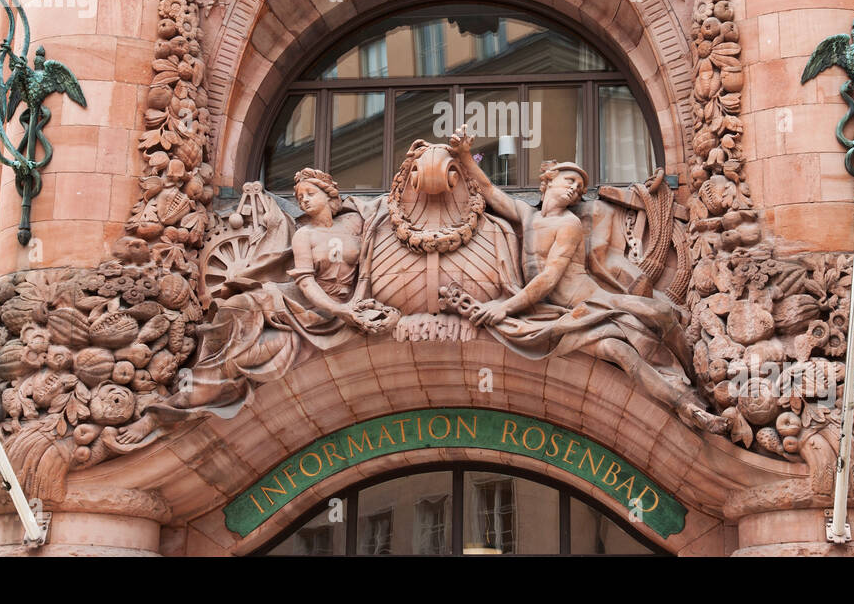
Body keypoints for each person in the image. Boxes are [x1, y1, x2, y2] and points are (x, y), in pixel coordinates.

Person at [448, 128, 727, 435]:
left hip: (593, 302)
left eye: (580, 187)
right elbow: (489, 190)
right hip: (562, 314)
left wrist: (507, 308)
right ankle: (684, 405)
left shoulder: (568, 224)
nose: (575, 189)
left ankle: (699, 380)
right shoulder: (528, 216)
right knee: (618, 351)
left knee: (661, 314)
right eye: (569, 181)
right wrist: (463, 155)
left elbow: (550, 276)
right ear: (548, 180)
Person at [118, 168, 394, 443]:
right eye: (299, 197)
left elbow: (387, 209)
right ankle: (165, 410)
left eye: (310, 193)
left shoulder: (354, 222)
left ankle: (182, 397)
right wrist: (340, 310)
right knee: (236, 311)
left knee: (241, 357)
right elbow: (307, 285)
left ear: (330, 195)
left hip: (340, 309)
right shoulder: (304, 236)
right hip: (306, 307)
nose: (304, 200)